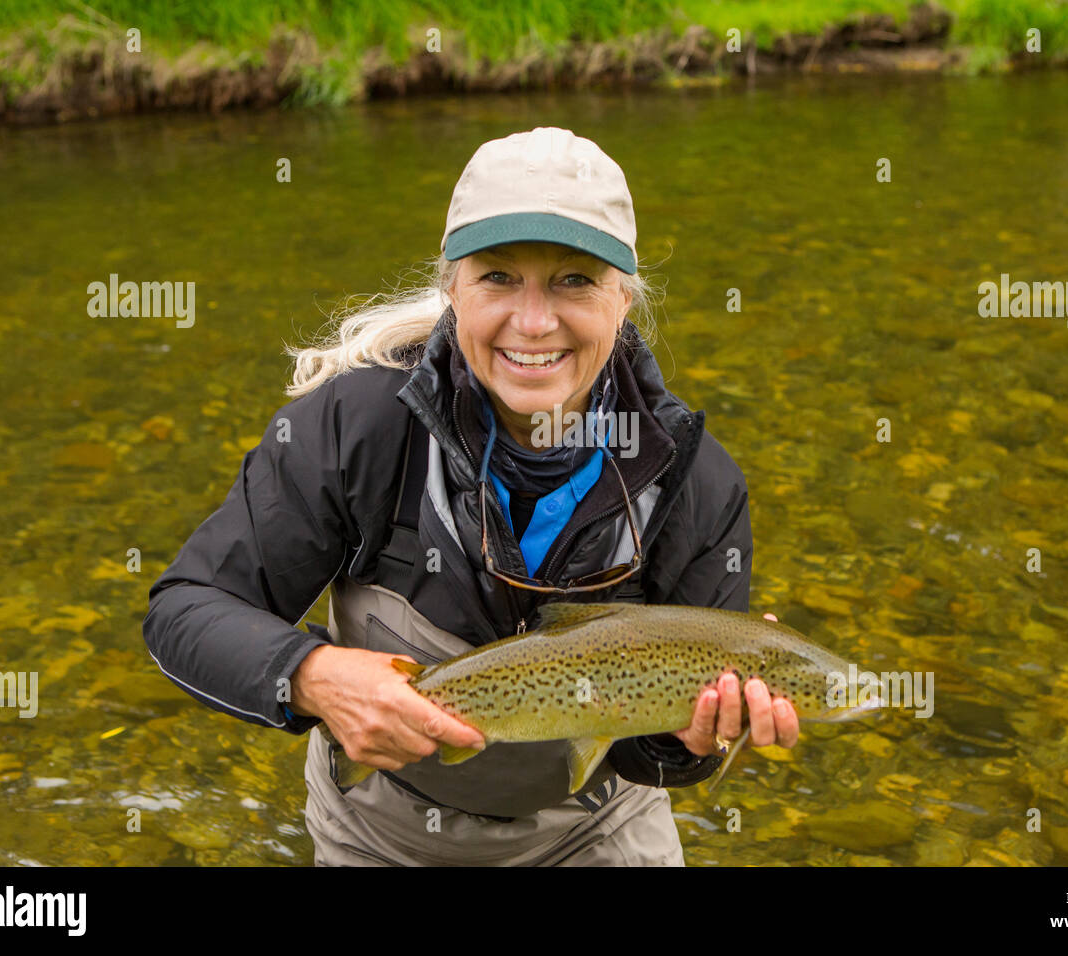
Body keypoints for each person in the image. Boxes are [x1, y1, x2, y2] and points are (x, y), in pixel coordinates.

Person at [143, 126, 799, 866]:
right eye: (497, 277)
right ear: (451, 288)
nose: (533, 321)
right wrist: (311, 677)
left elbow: (653, 764)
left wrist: (688, 741)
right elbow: (183, 610)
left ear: (625, 300)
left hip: (594, 831)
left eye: (574, 280)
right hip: (379, 831)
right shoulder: (355, 430)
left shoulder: (692, 480)